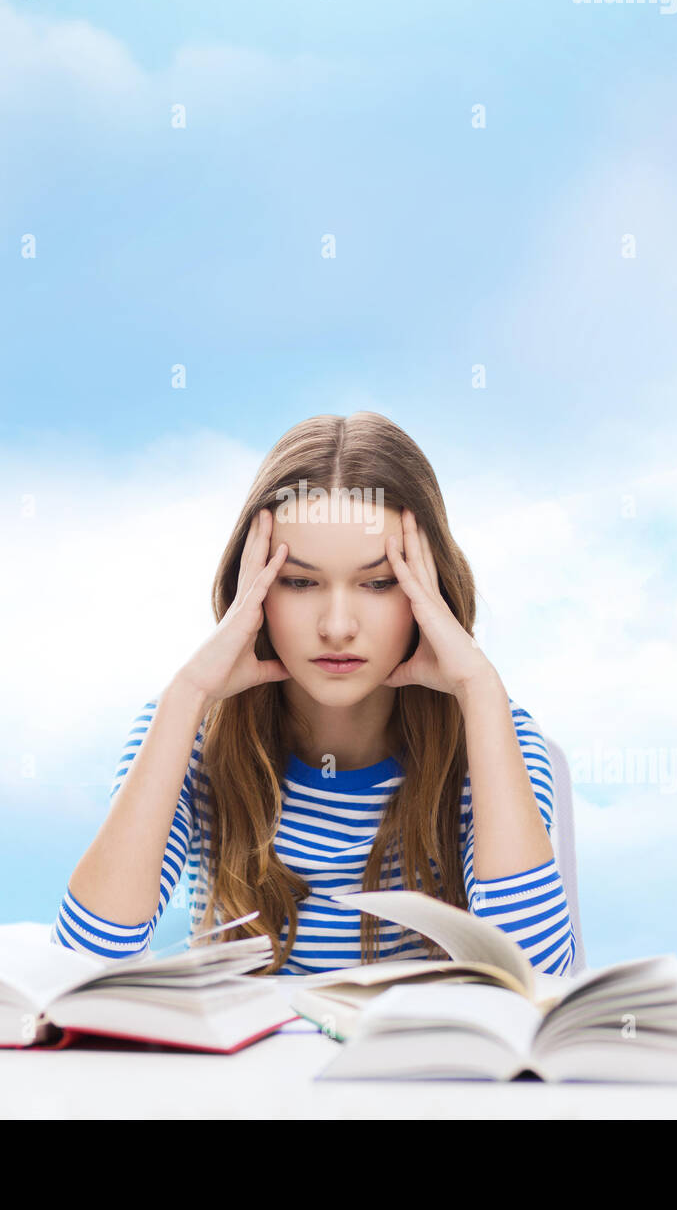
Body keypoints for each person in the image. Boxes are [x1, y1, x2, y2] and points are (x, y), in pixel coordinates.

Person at [50, 411, 575, 976]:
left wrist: (479, 689)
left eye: (379, 583)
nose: (338, 626)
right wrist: (188, 694)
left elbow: (538, 979)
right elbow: (84, 964)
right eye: (300, 582)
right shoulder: (189, 731)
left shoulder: (496, 736)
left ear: (430, 590)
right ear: (252, 590)